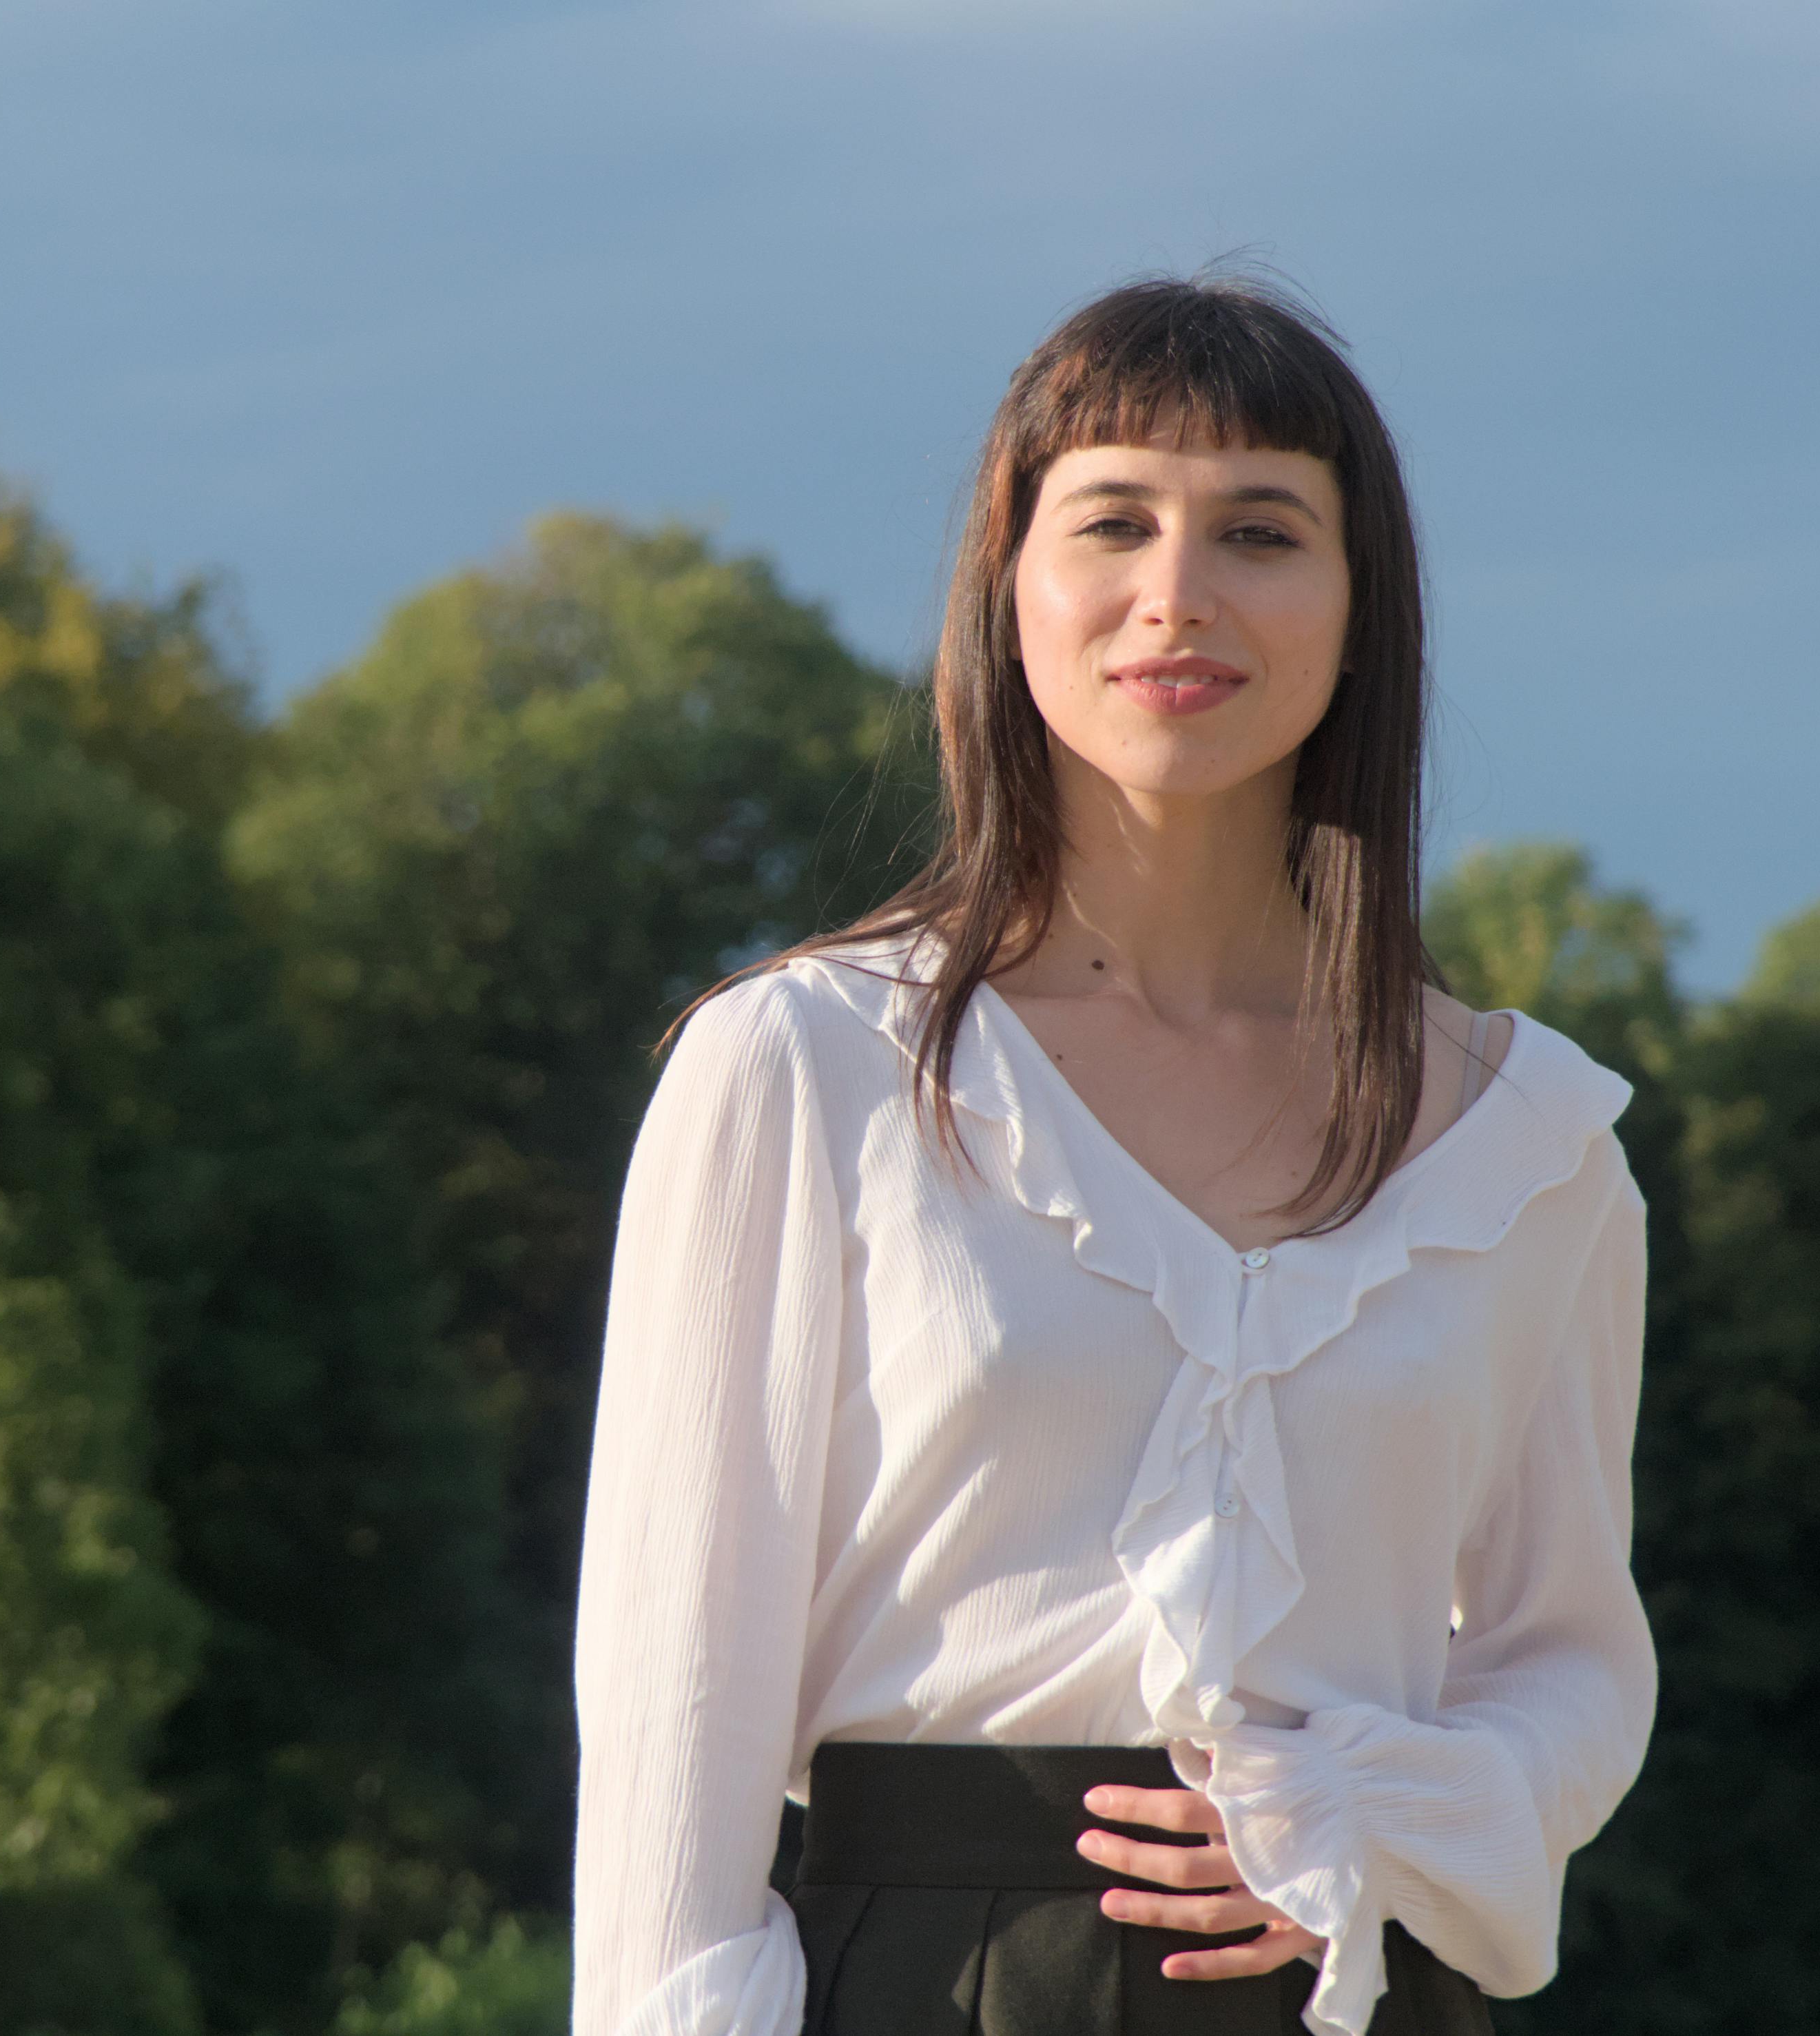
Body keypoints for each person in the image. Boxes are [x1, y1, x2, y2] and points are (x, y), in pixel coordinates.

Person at [569, 275, 1655, 2036]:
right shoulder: (801, 1067)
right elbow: (667, 1715)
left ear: (1360, 611)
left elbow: (1571, 1666)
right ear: (1010, 592)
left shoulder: (1530, 1146)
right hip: (925, 1983)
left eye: (1260, 528)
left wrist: (1365, 1812)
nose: (1181, 591)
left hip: (1358, 1986)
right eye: (1114, 520)